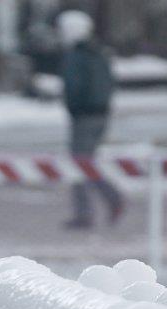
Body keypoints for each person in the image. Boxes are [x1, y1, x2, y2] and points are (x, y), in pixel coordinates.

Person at [58, 10, 123, 229]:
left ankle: (89, 210)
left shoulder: (77, 56)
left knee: (80, 164)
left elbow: (75, 87)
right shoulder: (99, 53)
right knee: (85, 163)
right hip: (99, 114)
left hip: (84, 116)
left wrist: (74, 107)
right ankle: (107, 200)